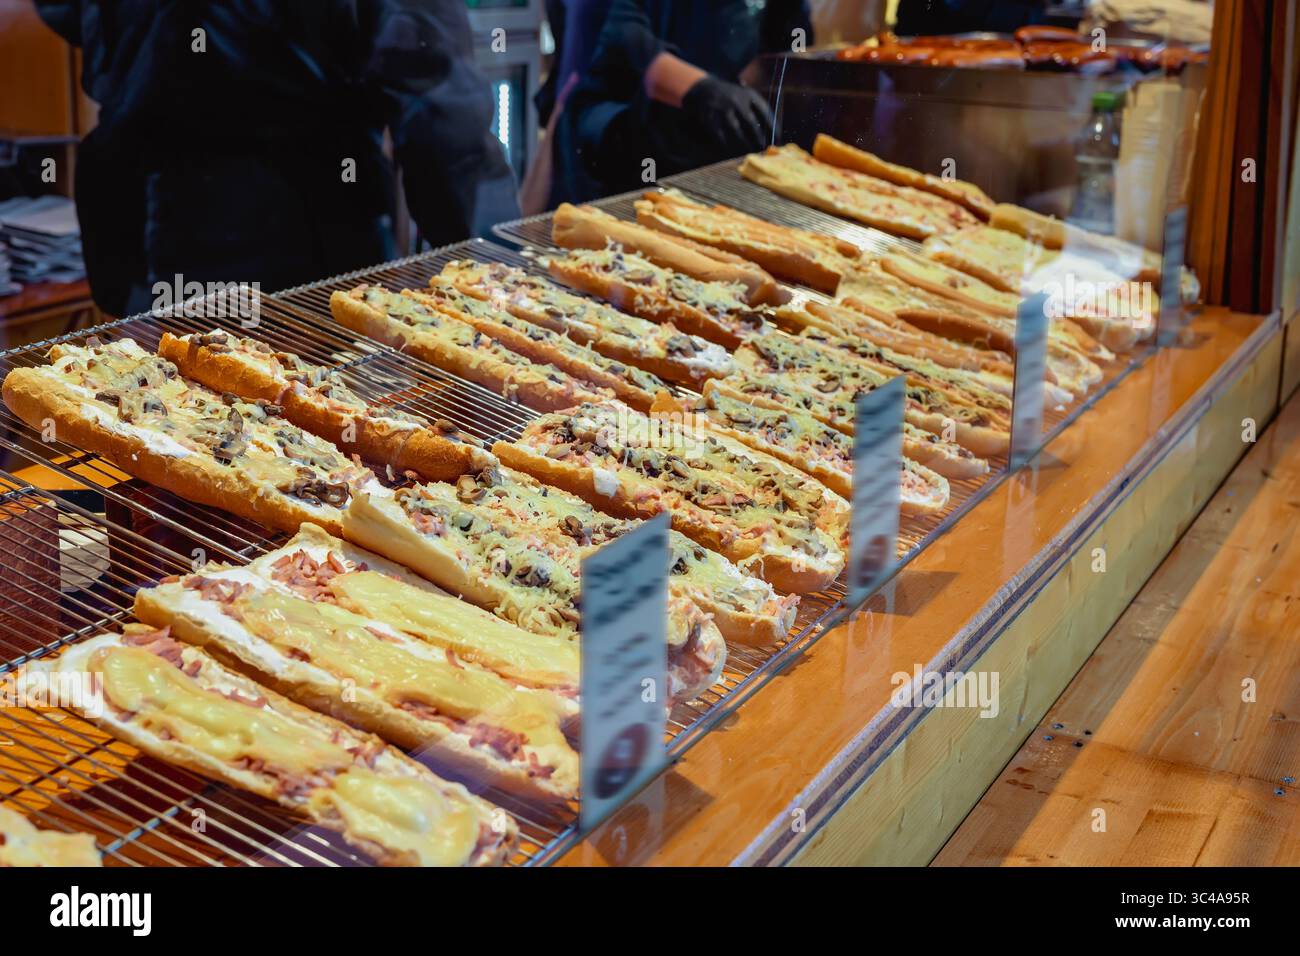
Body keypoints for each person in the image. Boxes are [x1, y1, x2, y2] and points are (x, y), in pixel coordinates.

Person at [35, 0, 519, 318]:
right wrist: (496, 284)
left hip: (147, 230)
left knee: (168, 422)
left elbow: (66, 13)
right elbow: (439, 110)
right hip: (306, 240)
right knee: (309, 438)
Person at [556, 0, 812, 203]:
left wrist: (748, 93)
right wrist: (701, 89)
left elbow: (787, 40)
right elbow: (622, 36)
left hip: (718, 153)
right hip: (626, 135)